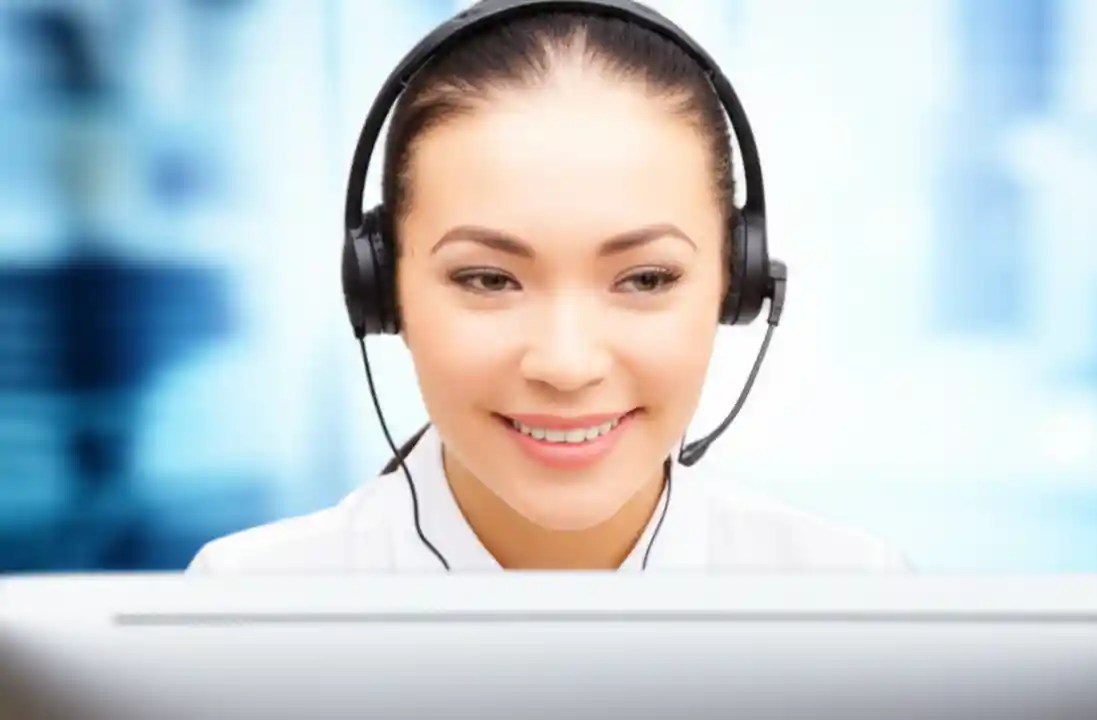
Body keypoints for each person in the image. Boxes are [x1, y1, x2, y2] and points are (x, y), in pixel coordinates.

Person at [187, 0, 910, 573]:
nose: (567, 365)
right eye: (489, 279)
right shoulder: (243, 606)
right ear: (383, 291)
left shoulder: (857, 601)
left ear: (736, 284)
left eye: (645, 278)